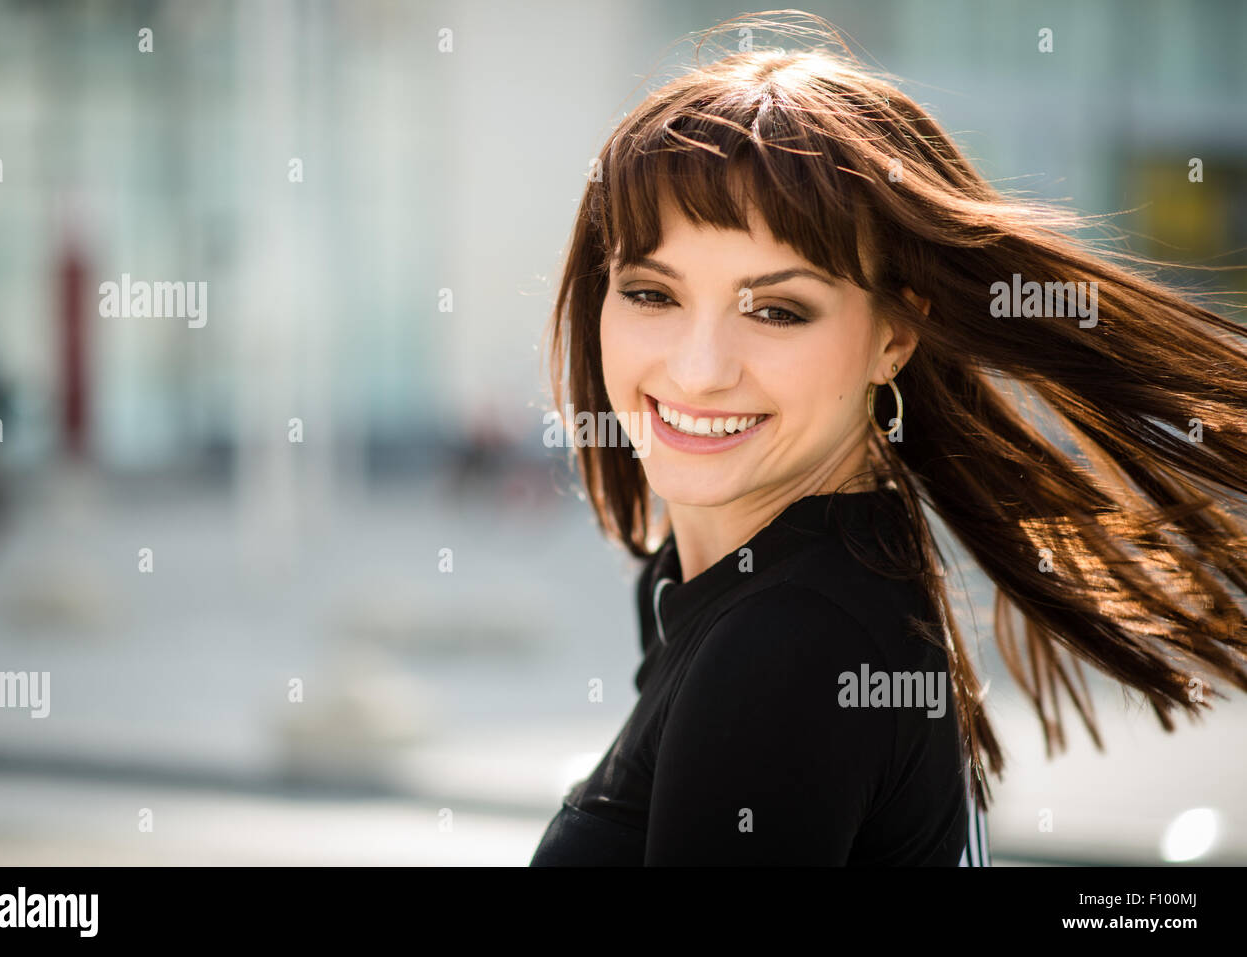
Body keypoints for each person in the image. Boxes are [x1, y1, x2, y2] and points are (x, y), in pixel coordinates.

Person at [531, 13, 1247, 866]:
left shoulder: (787, 648)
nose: (699, 370)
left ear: (894, 336)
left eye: (776, 309)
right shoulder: (774, 587)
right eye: (653, 293)